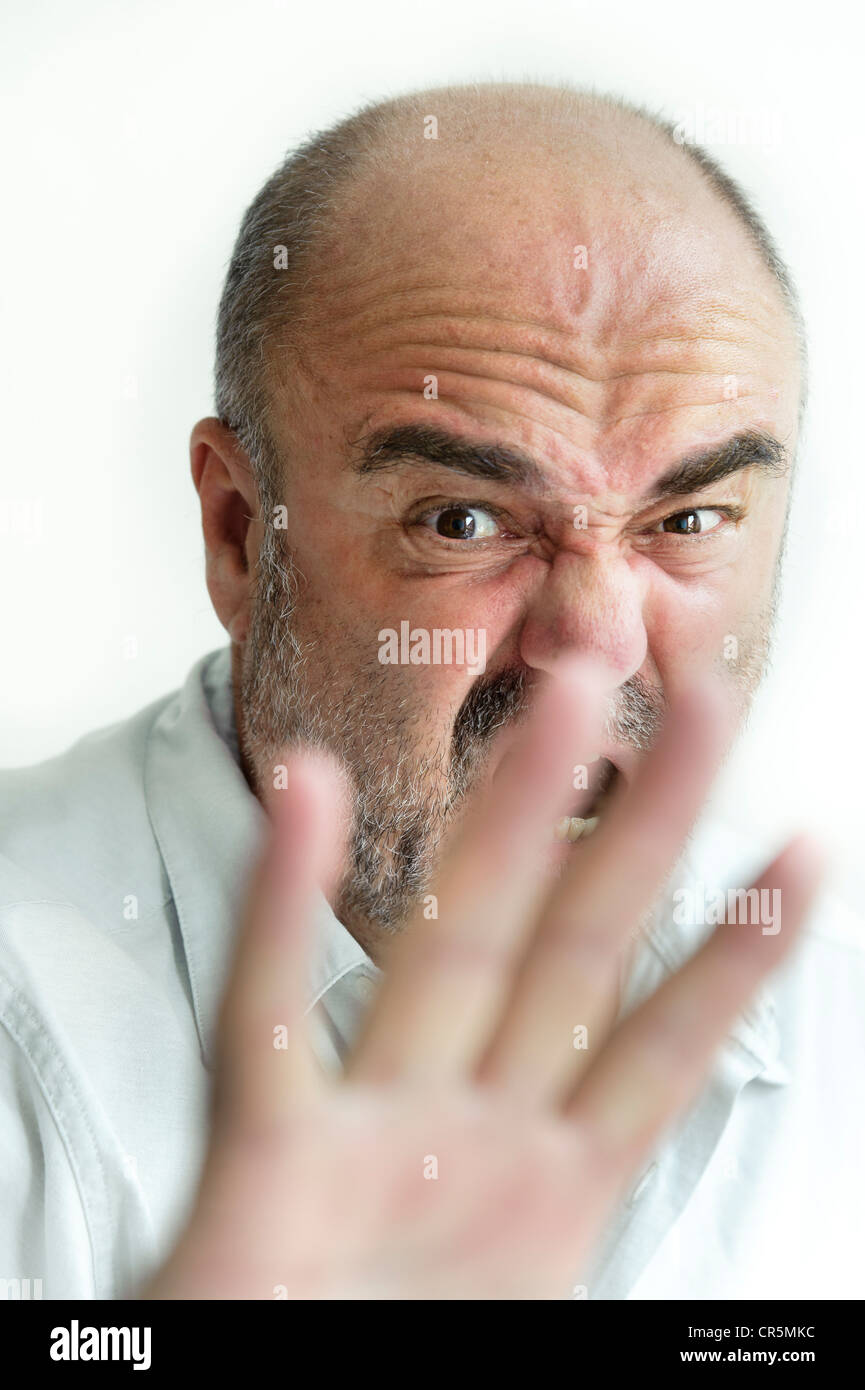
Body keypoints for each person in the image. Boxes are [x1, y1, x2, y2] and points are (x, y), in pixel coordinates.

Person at [1, 81, 861, 1302]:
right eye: (462, 520)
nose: (598, 644)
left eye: (689, 517)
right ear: (243, 531)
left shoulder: (836, 1019)